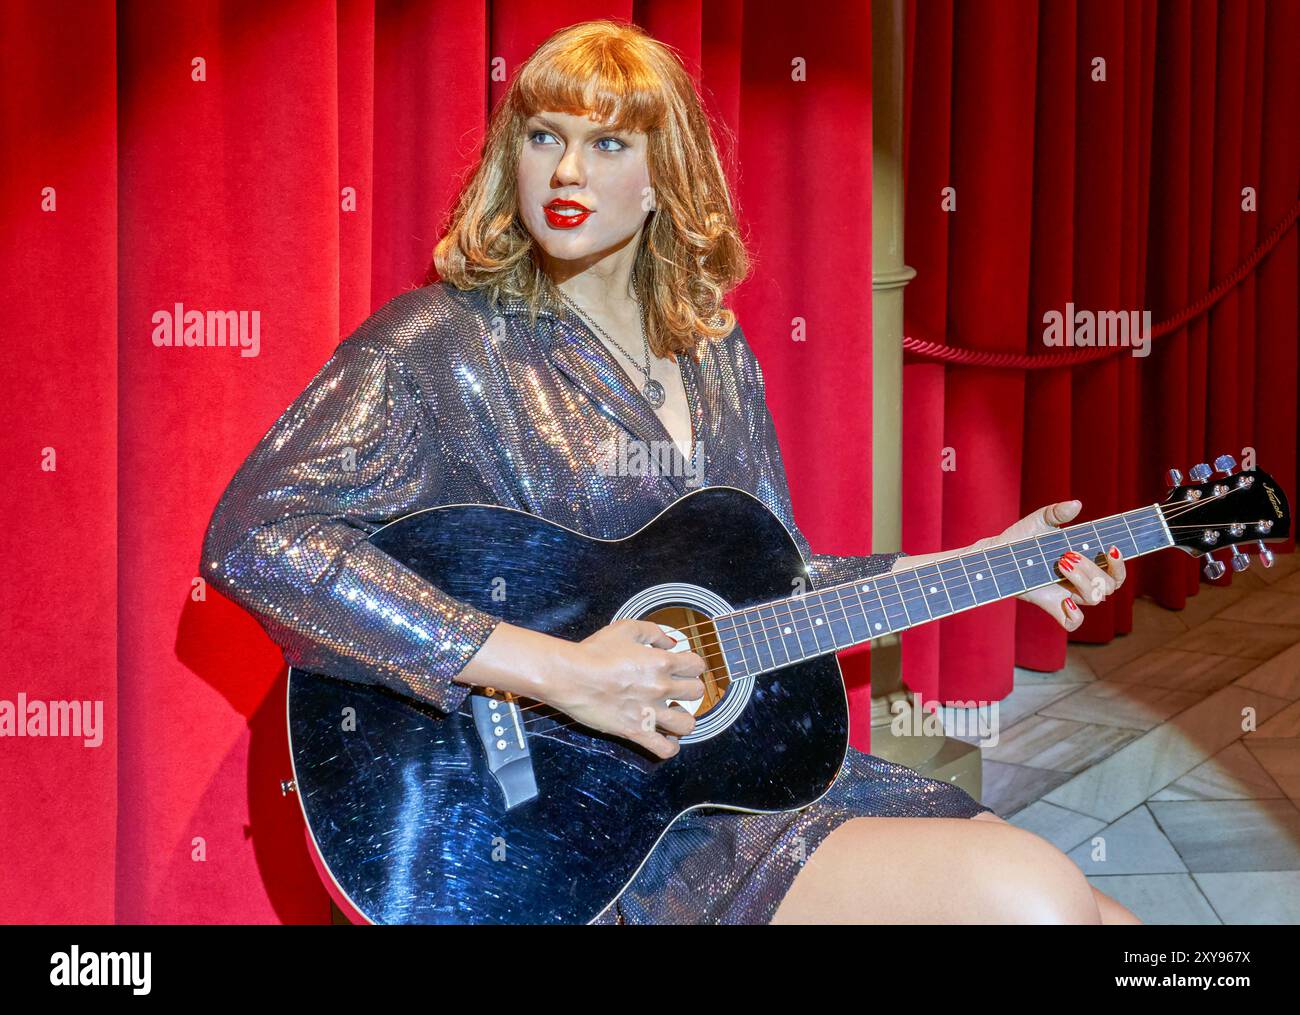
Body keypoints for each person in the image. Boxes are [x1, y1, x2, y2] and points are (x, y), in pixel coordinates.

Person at [201, 19, 1139, 925]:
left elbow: (783, 586)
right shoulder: (441, 343)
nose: (567, 171)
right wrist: (562, 672)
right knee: (1037, 897)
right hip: (584, 828)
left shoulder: (711, 352)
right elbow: (256, 536)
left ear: (664, 180)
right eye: (543, 136)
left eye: (609, 144)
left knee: (1122, 923)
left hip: (730, 784)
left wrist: (993, 560)